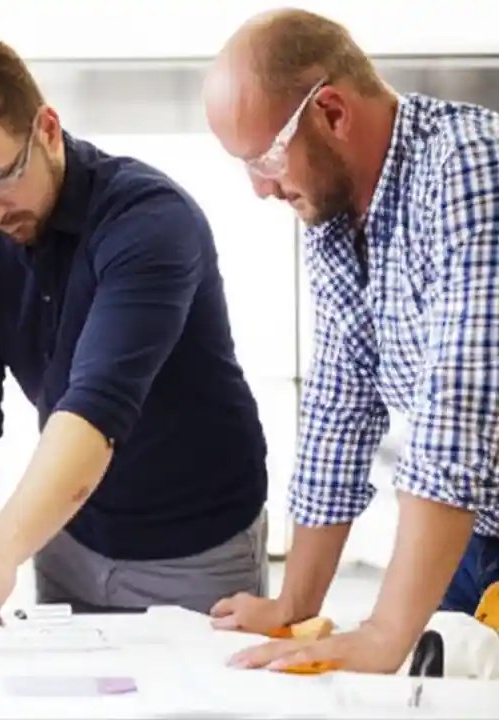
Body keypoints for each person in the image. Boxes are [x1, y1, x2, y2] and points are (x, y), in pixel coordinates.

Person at [0, 39, 270, 656]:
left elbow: (95, 409)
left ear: (47, 128)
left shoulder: (150, 221)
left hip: (197, 545)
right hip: (69, 537)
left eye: (0, 180)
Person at [203, 8, 499, 674]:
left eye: (266, 159)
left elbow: (461, 406)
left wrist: (386, 631)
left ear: (333, 113)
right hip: (472, 534)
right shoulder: (336, 222)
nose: (260, 190)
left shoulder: (470, 167)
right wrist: (294, 605)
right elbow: (339, 412)